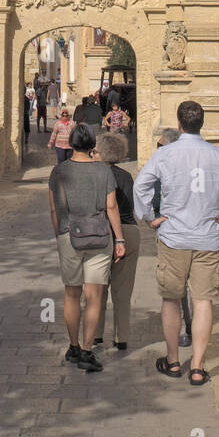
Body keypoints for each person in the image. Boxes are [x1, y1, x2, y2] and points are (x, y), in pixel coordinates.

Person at [133, 100, 219, 386]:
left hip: (173, 237)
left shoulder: (165, 154)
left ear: (180, 123)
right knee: (203, 302)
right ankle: (197, 367)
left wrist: (149, 216)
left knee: (171, 299)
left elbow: (141, 186)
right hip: (207, 238)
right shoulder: (218, 155)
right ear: (202, 123)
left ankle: (173, 361)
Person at [48, 123, 126, 373]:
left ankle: (72, 345)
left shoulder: (58, 171)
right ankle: (87, 350)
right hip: (99, 236)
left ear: (70, 142)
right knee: (94, 296)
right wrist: (120, 239)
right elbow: (111, 206)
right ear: (93, 145)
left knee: (72, 293)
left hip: (69, 235)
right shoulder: (103, 172)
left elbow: (53, 209)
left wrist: (59, 233)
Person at [94, 132, 141, 351]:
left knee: (98, 287)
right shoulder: (126, 176)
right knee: (123, 291)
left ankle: (95, 334)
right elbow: (131, 205)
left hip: (104, 232)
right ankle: (121, 337)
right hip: (129, 231)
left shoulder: (95, 175)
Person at [153, 128, 191, 346]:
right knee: (192, 286)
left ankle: (183, 330)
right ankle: (193, 328)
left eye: (159, 146)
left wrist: (153, 218)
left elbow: (155, 200)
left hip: (172, 234)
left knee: (175, 288)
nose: (156, 150)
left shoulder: (163, 169)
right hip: (198, 231)